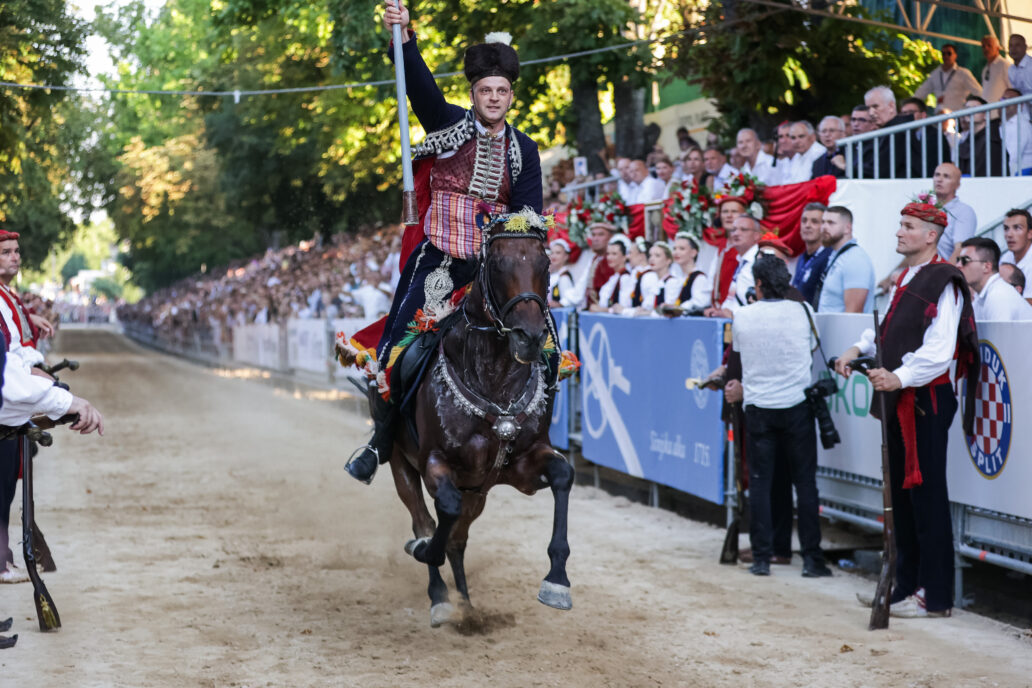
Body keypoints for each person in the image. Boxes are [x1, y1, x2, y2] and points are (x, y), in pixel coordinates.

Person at [343, 2, 544, 483]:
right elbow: (419, 85)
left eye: (502, 91)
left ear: (511, 96)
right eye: (485, 90)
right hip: (438, 259)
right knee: (395, 345)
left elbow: (528, 217)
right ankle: (380, 441)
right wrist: (404, 36)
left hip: (493, 272)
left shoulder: (525, 150)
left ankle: (534, 440)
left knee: (547, 343)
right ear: (473, 93)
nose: (493, 98)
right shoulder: (447, 124)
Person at [836, 200, 980, 618]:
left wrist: (899, 377)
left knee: (927, 495)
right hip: (903, 398)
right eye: (900, 224)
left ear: (931, 235)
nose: (899, 232)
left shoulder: (944, 280)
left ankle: (933, 597)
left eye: (908, 226)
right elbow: (888, 328)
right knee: (902, 496)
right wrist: (859, 347)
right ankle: (904, 585)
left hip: (925, 400)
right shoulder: (908, 275)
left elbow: (940, 350)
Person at [0, 230, 104, 585]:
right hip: (11, 398)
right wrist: (55, 395)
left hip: (16, 396)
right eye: (7, 252)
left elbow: (16, 337)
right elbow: (10, 365)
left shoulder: (8, 296)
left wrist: (31, 318)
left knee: (7, 487)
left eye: (16, 251)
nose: (15, 257)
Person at [730, 254, 830, 578]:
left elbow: (742, 353)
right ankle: (813, 560)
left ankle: (762, 557)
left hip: (759, 407)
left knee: (760, 484)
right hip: (797, 405)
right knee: (806, 484)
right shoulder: (803, 310)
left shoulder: (742, 315)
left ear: (758, 285)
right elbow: (813, 347)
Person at [814, 206, 875, 313]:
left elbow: (853, 314)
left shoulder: (855, 259)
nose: (824, 227)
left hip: (843, 330)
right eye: (823, 222)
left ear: (848, 228)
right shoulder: (839, 255)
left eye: (831, 223)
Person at [958, 237, 1032, 320]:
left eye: (965, 260)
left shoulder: (999, 296)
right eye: (958, 260)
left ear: (987, 266)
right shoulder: (981, 296)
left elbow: (1001, 333)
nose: (958, 265)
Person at [706, 214, 762, 319]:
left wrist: (733, 314)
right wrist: (721, 312)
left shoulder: (762, 260)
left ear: (756, 235)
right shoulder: (741, 260)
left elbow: (766, 304)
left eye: (743, 229)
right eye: (734, 230)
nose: (736, 233)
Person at [913, 43, 982, 111]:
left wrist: (973, 109)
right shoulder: (935, 74)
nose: (946, 56)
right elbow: (921, 92)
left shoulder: (963, 73)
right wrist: (910, 104)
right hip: (939, 116)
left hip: (957, 115)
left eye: (949, 53)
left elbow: (978, 92)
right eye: (943, 54)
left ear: (955, 55)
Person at [791, 203, 832, 305]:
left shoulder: (830, 258)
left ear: (825, 227)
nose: (807, 225)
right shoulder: (801, 258)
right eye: (804, 221)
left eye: (814, 222)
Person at [956, 95, 1005, 177]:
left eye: (975, 108)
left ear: (985, 115)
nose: (969, 111)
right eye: (967, 108)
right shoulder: (965, 142)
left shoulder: (993, 140)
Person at [663, 232, 712, 313]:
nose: (676, 252)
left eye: (682, 249)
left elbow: (700, 302)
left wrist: (677, 308)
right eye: (674, 249)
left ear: (693, 253)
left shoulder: (699, 278)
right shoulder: (678, 278)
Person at [576, 221, 617, 308]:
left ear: (611, 238)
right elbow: (581, 286)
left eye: (601, 235)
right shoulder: (594, 259)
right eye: (593, 235)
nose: (595, 239)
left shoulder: (613, 261)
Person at [590, 235, 634, 314]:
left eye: (614, 254)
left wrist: (602, 310)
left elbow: (623, 307)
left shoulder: (625, 278)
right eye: (608, 254)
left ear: (624, 257)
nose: (609, 257)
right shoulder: (615, 277)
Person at [1001, 87, 1032, 175]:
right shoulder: (1006, 123)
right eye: (1003, 99)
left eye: (1010, 99)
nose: (1006, 102)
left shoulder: (1021, 125)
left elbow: (1012, 156)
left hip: (1022, 174)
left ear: (1021, 105)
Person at [548, 237, 580, 308]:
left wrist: (559, 304)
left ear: (566, 256)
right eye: (552, 253)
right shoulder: (555, 275)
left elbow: (569, 300)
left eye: (558, 253)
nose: (554, 256)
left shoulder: (564, 276)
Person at [1000, 208, 1032, 277]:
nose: (1009, 235)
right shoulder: (1006, 258)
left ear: (1030, 233)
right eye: (1006, 228)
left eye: (1017, 228)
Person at [980, 35, 1013, 103]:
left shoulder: (1004, 65)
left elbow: (1013, 89)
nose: (986, 48)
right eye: (983, 46)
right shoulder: (985, 69)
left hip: (1001, 110)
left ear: (997, 48)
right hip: (987, 111)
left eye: (989, 45)